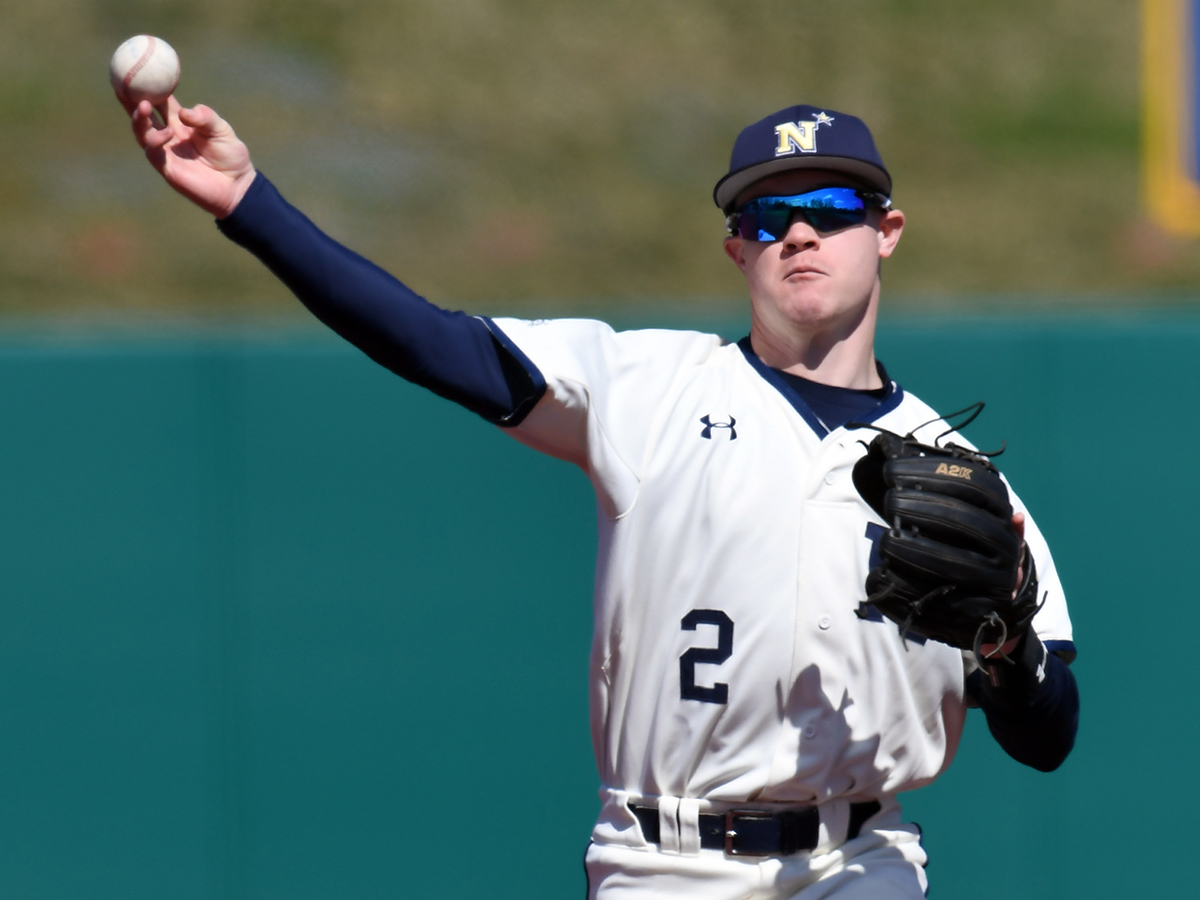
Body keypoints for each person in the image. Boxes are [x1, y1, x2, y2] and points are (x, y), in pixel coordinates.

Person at [121, 94, 1079, 898]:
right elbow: (428, 340)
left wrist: (1002, 644)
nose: (797, 231)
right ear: (736, 252)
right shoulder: (646, 389)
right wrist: (250, 202)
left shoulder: (964, 478)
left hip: (864, 863)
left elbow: (1051, 734)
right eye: (763, 217)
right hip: (665, 865)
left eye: (830, 206)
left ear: (886, 232)